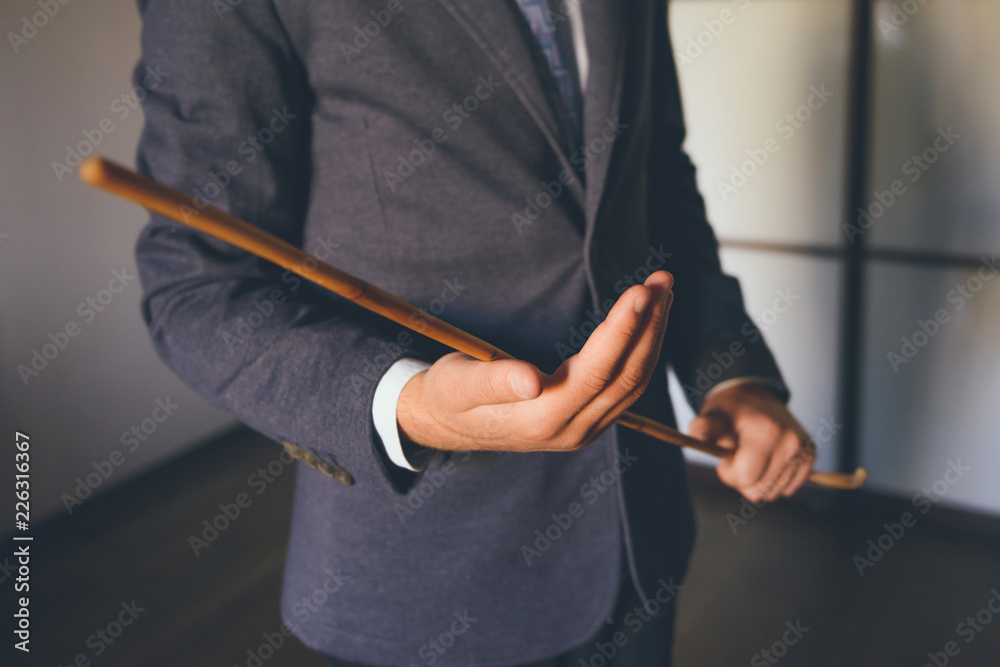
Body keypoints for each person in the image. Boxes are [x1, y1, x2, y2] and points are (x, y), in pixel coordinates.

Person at [132, 0, 815, 664]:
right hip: (427, 571)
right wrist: (408, 404)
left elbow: (654, 175)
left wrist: (733, 373)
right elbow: (197, 284)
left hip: (639, 538)